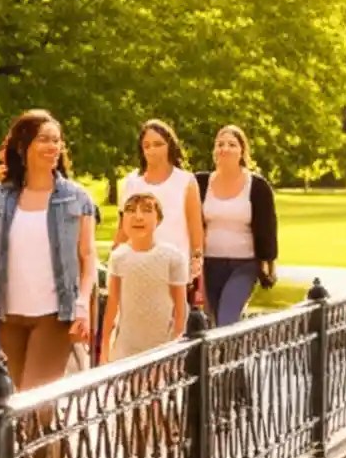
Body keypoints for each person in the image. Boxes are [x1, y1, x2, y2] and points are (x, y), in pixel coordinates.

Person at [0, 109, 98, 458]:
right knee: (30, 410)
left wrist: (83, 303)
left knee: (33, 408)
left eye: (57, 139)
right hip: (11, 315)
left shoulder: (75, 197)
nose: (53, 147)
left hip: (56, 315)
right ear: (22, 146)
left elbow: (88, 259)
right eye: (43, 140)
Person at [196, 125, 279, 327]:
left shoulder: (257, 186)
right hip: (208, 265)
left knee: (227, 318)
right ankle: (222, 359)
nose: (225, 148)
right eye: (220, 144)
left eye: (232, 144)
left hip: (244, 265)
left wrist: (268, 263)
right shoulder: (200, 183)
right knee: (213, 321)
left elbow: (268, 227)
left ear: (242, 151)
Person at [114, 119, 204, 301]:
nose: (152, 150)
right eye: (146, 146)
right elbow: (123, 229)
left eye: (158, 144)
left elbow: (195, 228)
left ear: (170, 146)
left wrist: (197, 258)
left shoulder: (186, 181)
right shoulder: (132, 183)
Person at [100, 193, 189, 363]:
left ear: (158, 219)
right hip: (126, 346)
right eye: (131, 211)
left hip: (161, 346)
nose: (138, 217)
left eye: (147, 211)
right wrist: (105, 347)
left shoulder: (172, 257)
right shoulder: (119, 257)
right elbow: (112, 304)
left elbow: (180, 307)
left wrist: (175, 343)